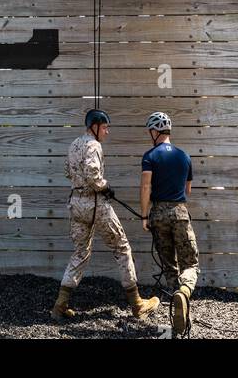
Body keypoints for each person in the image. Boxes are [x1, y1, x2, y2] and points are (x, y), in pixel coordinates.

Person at [52, 109, 159, 322]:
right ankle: (137, 304)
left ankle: (60, 306)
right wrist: (104, 186)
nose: (107, 132)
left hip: (76, 203)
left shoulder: (74, 144)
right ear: (95, 126)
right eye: (105, 127)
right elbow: (93, 173)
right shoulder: (94, 145)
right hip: (96, 204)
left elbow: (67, 171)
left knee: (80, 253)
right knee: (122, 249)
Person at [140, 110, 200, 336]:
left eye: (150, 131)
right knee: (191, 264)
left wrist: (144, 216)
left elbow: (146, 187)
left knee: (169, 266)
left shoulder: (150, 156)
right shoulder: (185, 156)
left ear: (155, 131)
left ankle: (179, 308)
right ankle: (184, 293)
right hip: (180, 212)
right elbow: (188, 190)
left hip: (158, 214)